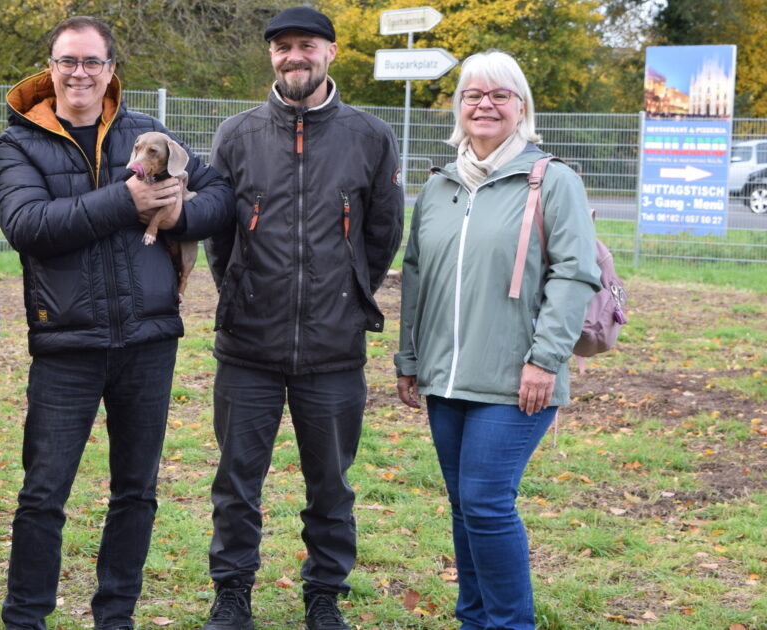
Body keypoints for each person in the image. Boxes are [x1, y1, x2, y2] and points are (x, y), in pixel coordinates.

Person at [0, 15, 233, 630]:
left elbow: (221, 197)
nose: (79, 73)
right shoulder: (20, 143)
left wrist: (176, 217)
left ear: (109, 71)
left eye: (92, 62)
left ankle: (115, 616)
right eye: (67, 61)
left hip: (148, 341)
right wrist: (125, 201)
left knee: (136, 491)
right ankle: (26, 618)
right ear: (51, 68)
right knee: (43, 493)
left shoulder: (145, 131)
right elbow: (29, 226)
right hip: (66, 343)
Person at [201, 6, 404, 629]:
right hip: (248, 350)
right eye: (283, 47)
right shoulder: (235, 135)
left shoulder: (369, 136)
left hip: (333, 351)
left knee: (331, 486)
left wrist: (344, 294)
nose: (295, 56)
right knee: (236, 485)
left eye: (307, 46)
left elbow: (382, 233)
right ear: (271, 56)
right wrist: (245, 294)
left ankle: (324, 595)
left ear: (331, 53)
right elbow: (218, 236)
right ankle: (232, 593)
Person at [394, 50, 601, 630]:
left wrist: (544, 359)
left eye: (499, 95)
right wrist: (409, 358)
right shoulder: (438, 186)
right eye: (472, 95)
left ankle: (511, 624)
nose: (485, 104)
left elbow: (574, 274)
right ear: (459, 108)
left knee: (485, 503)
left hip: (518, 379)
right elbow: (415, 274)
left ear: (521, 107)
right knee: (465, 510)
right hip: (444, 377)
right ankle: (474, 619)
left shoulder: (551, 179)